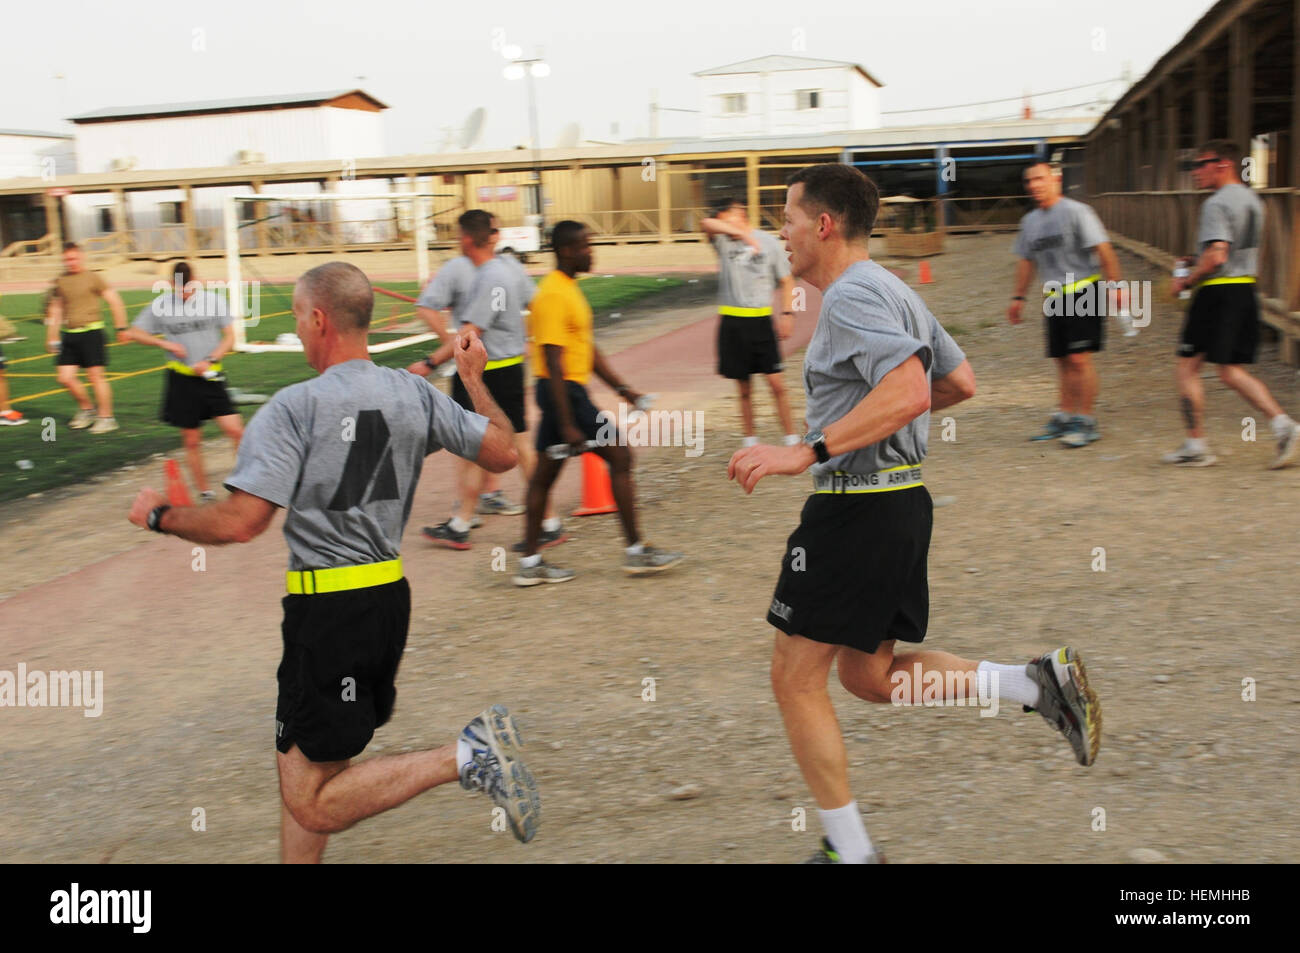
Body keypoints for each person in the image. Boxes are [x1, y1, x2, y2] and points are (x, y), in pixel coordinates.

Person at [731, 163, 1100, 864]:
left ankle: (853, 852)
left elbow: (909, 390)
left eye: (786, 217)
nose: (779, 231)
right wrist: (887, 426)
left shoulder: (850, 297)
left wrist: (806, 450)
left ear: (824, 224)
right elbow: (955, 381)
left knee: (794, 676)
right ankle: (1034, 682)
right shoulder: (891, 287)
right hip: (899, 501)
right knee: (866, 677)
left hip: (855, 510)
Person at [127, 261, 540, 862]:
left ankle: (468, 754)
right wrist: (473, 379)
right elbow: (504, 453)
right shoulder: (413, 392)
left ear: (318, 319)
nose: (296, 331)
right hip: (384, 601)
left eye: (297, 317)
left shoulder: (293, 408)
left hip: (328, 615)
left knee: (312, 801)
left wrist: (162, 516)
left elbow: (241, 522)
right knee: (308, 774)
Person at [514, 221, 683, 586]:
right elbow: (554, 362)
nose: (591, 251)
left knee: (543, 476)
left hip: (564, 392)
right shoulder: (553, 295)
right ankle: (637, 551)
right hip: (565, 394)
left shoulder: (568, 289)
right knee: (620, 456)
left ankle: (529, 564)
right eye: (585, 246)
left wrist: (626, 391)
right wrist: (569, 422)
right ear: (566, 251)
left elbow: (586, 351)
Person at [408, 210, 564, 549]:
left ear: (466, 239)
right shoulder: (509, 268)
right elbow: (535, 304)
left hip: (483, 373)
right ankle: (543, 521)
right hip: (509, 368)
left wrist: (429, 362)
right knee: (514, 446)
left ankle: (464, 523)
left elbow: (470, 333)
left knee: (473, 447)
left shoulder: (488, 277)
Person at [1165, 139, 1300, 469]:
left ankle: (1196, 443)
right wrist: (1197, 259)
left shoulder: (1217, 203)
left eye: (1200, 165)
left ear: (1222, 164)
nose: (1195, 172)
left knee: (1187, 366)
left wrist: (1187, 279)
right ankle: (1285, 426)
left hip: (1217, 292)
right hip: (1244, 289)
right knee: (1229, 370)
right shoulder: (1251, 200)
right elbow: (1231, 251)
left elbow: (1218, 255)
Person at [1007, 162, 1123, 447]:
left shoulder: (1076, 212)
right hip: (1054, 296)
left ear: (1055, 179)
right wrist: (1018, 297)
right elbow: (1026, 261)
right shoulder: (1030, 221)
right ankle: (1064, 415)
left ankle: (1086, 421)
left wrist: (1116, 285)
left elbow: (1103, 248)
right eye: (1029, 181)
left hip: (1084, 291)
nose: (1034, 185)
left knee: (1079, 359)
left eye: (1040, 179)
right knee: (1061, 360)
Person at [118, 261, 243, 501]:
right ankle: (205, 491)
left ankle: (242, 483)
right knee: (192, 439)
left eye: (187, 288)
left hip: (211, 376)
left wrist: (210, 359)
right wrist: (163, 343)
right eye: (179, 289)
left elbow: (230, 336)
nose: (184, 293)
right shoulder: (161, 305)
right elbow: (135, 332)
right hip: (181, 381)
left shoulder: (214, 300)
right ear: (170, 285)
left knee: (237, 432)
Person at [700, 198, 799, 448]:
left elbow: (787, 281)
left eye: (728, 216)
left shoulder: (768, 242)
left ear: (740, 212)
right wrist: (738, 234)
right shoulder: (723, 242)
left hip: (761, 323)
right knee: (744, 389)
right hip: (732, 325)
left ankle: (791, 437)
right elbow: (706, 223)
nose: (724, 222)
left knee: (777, 384)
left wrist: (788, 313)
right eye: (722, 220)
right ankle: (750, 440)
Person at [46, 242, 128, 434]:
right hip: (70, 334)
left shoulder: (93, 278)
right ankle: (87, 410)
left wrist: (121, 327)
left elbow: (114, 301)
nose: (70, 262)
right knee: (64, 378)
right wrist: (51, 336)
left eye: (73, 258)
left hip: (92, 332)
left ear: (81, 257)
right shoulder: (61, 281)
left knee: (95, 377)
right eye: (67, 259)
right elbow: (57, 309)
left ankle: (107, 418)